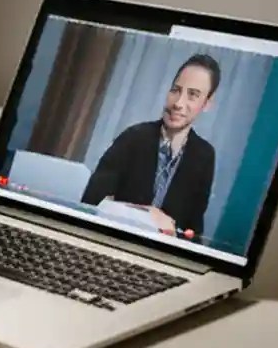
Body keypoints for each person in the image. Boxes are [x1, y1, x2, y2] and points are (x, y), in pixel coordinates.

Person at [80, 53, 220, 239]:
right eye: (175, 90)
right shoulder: (133, 137)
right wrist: (144, 214)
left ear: (207, 104)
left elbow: (194, 229)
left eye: (192, 95)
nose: (178, 103)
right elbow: (90, 202)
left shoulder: (204, 155)